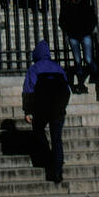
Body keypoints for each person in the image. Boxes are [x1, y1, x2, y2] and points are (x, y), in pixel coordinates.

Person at [22, 40, 71, 184]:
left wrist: (28, 110)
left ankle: (48, 159)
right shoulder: (58, 68)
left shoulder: (34, 69)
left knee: (38, 131)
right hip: (58, 109)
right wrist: (62, 106)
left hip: (41, 108)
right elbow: (67, 90)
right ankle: (58, 170)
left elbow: (28, 91)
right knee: (57, 139)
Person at [59, 0, 97, 92]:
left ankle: (95, 73)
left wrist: (88, 29)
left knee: (88, 59)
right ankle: (81, 82)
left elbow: (92, 18)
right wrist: (67, 30)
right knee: (77, 60)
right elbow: (62, 20)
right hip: (73, 35)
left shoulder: (85, 4)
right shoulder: (66, 5)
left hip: (85, 34)